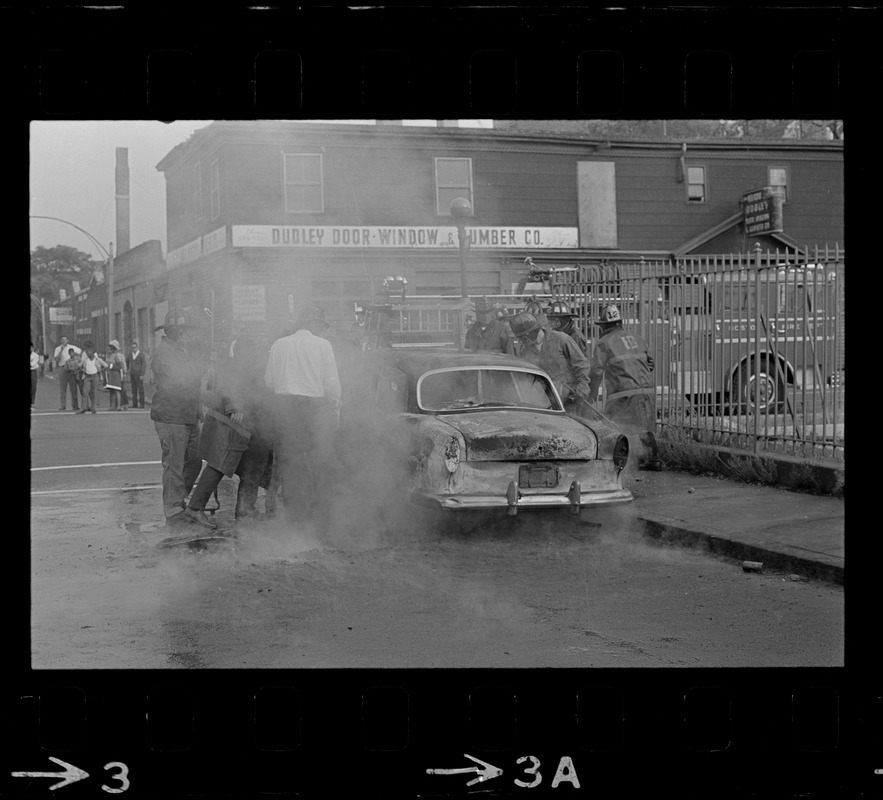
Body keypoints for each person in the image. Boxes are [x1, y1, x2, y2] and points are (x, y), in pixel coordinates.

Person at [180, 337, 274, 529]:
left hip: (244, 426)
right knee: (220, 464)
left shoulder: (240, 367)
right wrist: (235, 406)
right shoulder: (235, 368)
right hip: (230, 423)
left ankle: (245, 511)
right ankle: (195, 508)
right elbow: (230, 389)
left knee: (252, 464)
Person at [264, 304, 341, 533]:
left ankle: (294, 522)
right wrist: (335, 411)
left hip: (286, 410)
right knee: (320, 465)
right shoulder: (323, 345)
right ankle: (321, 522)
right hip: (315, 410)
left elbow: (269, 381)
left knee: (290, 466)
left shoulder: (279, 344)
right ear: (316, 324)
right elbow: (331, 385)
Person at [150, 308, 207, 529]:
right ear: (178, 331)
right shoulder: (165, 354)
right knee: (174, 465)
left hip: (186, 415)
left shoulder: (181, 350)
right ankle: (173, 512)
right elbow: (178, 384)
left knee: (194, 460)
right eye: (186, 330)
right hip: (172, 416)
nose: (189, 334)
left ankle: (178, 502)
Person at [588, 303, 661, 470]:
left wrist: (591, 395)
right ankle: (653, 459)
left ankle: (614, 461)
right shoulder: (636, 337)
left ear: (604, 325)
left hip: (622, 391)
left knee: (613, 425)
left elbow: (596, 372)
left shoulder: (603, 343)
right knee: (644, 425)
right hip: (646, 389)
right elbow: (650, 363)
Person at [509, 310, 593, 417]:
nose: (521, 340)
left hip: (569, 399)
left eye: (522, 337)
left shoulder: (561, 339)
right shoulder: (525, 351)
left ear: (531, 332)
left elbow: (582, 365)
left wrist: (582, 390)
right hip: (544, 402)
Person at [77, 341, 108, 414]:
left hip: (95, 376)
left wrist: (100, 371)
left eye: (88, 352)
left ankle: (93, 407)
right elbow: (79, 366)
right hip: (87, 377)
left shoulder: (97, 359)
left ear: (92, 353)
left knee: (94, 392)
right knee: (85, 392)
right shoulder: (85, 360)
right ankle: (83, 408)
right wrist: (83, 370)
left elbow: (106, 366)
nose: (87, 353)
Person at [53, 335, 82, 411]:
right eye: (62, 340)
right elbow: (56, 359)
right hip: (62, 368)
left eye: (65, 340)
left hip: (71, 368)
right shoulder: (58, 349)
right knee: (63, 388)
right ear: (60, 341)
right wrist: (61, 350)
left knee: (73, 388)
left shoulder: (72, 347)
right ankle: (63, 405)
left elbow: (80, 352)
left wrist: (76, 361)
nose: (64, 341)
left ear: (68, 340)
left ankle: (75, 405)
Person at [105, 340, 127, 411]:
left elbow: (120, 365)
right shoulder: (107, 356)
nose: (108, 350)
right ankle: (112, 405)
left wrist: (124, 373)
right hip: (110, 375)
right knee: (111, 391)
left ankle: (120, 405)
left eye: (110, 349)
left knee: (118, 390)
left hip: (116, 374)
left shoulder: (118, 355)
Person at [126, 340, 147, 408]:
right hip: (132, 373)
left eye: (135, 347)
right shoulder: (130, 355)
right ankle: (134, 404)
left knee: (140, 389)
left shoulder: (141, 355)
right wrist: (128, 369)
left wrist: (142, 374)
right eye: (132, 347)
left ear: (137, 348)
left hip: (139, 374)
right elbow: (126, 362)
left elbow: (144, 365)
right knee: (134, 389)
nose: (133, 349)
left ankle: (142, 404)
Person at [30, 341, 40, 410]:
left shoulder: (36, 356)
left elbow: (33, 364)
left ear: (33, 348)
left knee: (33, 388)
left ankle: (32, 403)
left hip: (33, 372)